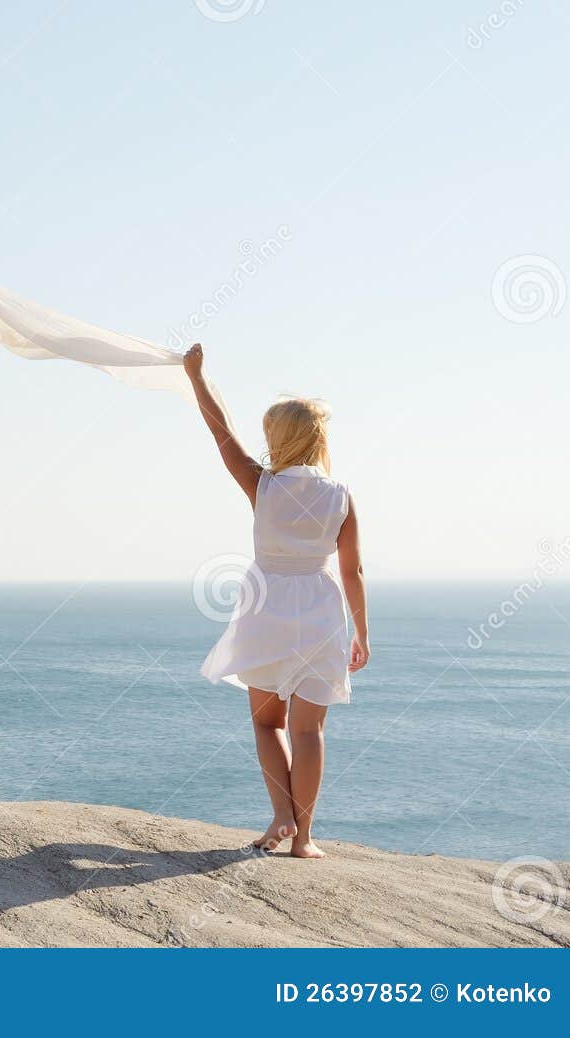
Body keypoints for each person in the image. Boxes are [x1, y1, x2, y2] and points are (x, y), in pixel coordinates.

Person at [182, 343, 369, 859]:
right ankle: (303, 840)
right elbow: (352, 570)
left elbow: (221, 433)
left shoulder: (261, 485)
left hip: (265, 609)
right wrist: (362, 633)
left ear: (277, 440)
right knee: (309, 731)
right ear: (320, 439)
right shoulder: (341, 496)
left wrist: (197, 377)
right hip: (321, 612)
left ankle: (281, 815)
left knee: (269, 722)